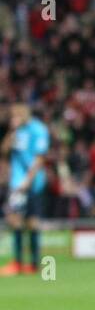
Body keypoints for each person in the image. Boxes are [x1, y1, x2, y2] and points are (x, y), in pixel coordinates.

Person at [2, 104, 51, 277]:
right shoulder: (17, 130)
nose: (12, 118)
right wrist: (11, 131)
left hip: (33, 183)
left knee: (32, 222)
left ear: (24, 114)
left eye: (15, 115)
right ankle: (17, 263)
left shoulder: (38, 130)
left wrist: (28, 181)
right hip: (16, 183)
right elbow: (5, 150)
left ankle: (34, 264)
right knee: (15, 220)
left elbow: (39, 158)